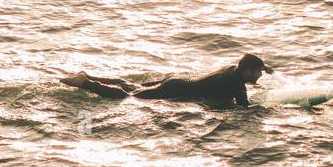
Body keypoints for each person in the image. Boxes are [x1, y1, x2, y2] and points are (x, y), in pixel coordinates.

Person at [60, 53, 272, 107]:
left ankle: (88, 76)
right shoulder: (237, 84)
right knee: (127, 97)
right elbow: (245, 108)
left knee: (131, 86)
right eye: (258, 72)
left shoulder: (233, 70)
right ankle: (86, 83)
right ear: (247, 72)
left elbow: (242, 64)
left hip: (177, 82)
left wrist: (263, 67)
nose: (260, 76)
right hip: (175, 91)